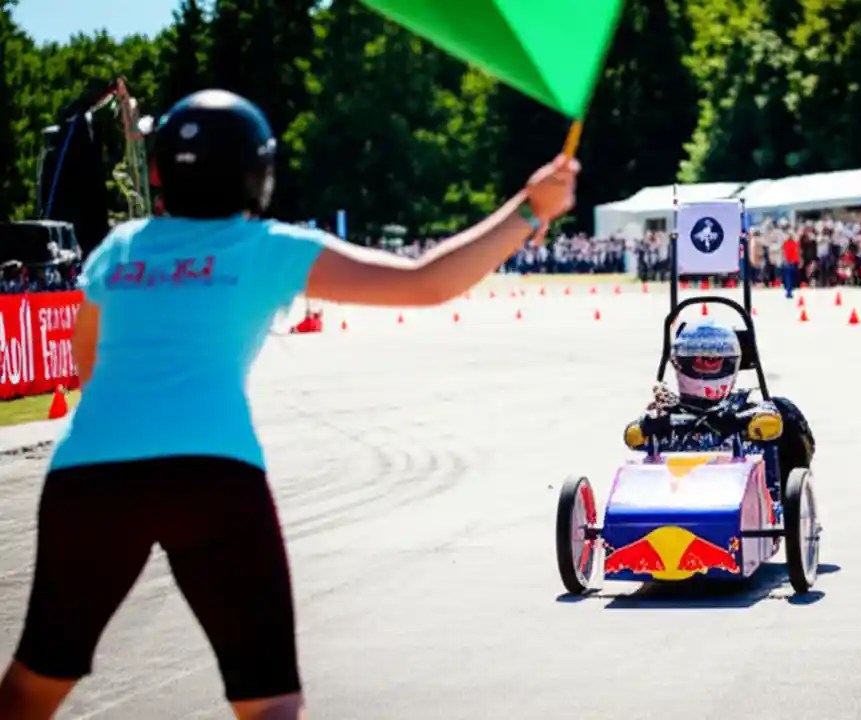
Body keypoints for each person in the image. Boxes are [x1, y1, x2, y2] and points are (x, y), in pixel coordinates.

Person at [0, 89, 578, 720]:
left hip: (88, 473)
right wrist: (530, 210)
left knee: (35, 681)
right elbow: (426, 282)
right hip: (212, 473)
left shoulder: (121, 248)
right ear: (261, 176)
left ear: (160, 171)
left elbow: (89, 365)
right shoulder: (269, 248)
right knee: (267, 699)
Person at [622, 320, 814, 495]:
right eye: (700, 360)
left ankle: (777, 505)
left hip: (745, 501)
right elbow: (634, 436)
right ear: (680, 363)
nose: (707, 367)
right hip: (675, 497)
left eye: (714, 361)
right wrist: (651, 425)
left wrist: (740, 422)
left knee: (784, 416)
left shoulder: (749, 407)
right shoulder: (667, 412)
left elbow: (783, 435)